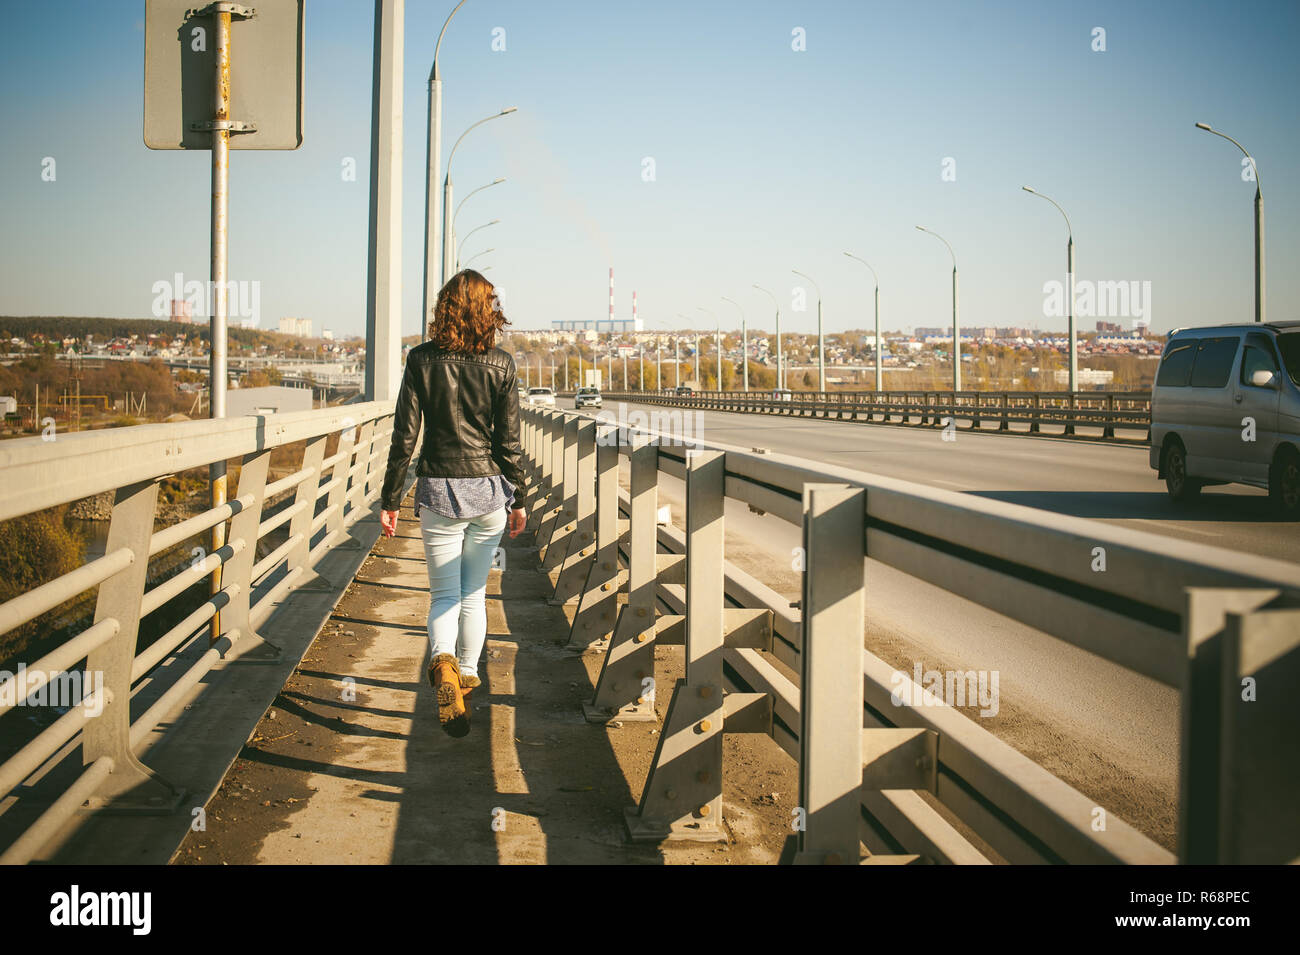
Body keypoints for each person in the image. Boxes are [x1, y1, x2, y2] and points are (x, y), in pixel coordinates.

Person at [379, 269, 527, 738]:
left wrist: (390, 497)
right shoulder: (502, 365)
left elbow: (405, 434)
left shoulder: (421, 360)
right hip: (486, 492)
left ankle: (441, 660)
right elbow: (509, 443)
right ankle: (465, 672)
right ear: (490, 311)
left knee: (443, 592)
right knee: (474, 593)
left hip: (439, 488)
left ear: (443, 308)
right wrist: (518, 498)